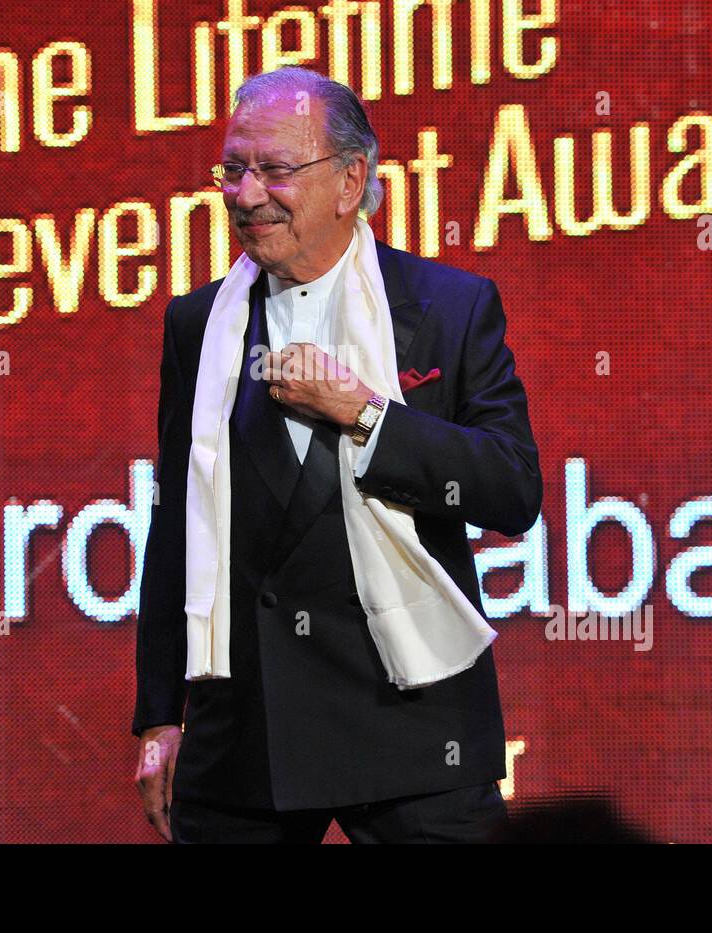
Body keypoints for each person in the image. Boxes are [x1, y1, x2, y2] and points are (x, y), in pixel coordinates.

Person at [131, 66, 542, 843]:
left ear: (352, 179)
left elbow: (512, 487)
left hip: (410, 720)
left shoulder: (447, 308)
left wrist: (366, 415)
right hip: (244, 735)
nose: (245, 194)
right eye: (233, 169)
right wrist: (160, 715)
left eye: (275, 170)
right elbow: (174, 529)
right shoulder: (198, 326)